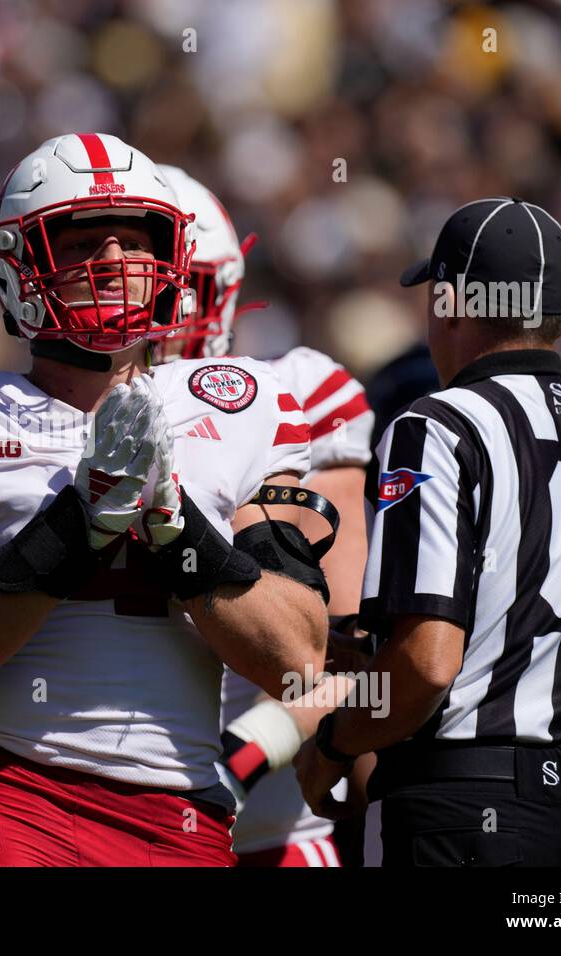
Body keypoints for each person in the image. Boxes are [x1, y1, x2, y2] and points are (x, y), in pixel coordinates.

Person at [0, 132, 330, 867]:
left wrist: (179, 538)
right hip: (20, 790)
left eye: (136, 238)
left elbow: (298, 660)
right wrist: (77, 526)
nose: (115, 260)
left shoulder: (245, 405)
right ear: (20, 261)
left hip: (187, 812)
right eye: (84, 240)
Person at [296, 197, 561, 866]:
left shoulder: (433, 426)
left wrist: (333, 745)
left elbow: (428, 662)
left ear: (449, 304)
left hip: (465, 812)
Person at [154, 165, 375, 867]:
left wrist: (240, 759)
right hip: (100, 829)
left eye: (172, 284)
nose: (149, 303)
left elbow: (348, 662)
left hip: (264, 840)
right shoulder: (52, 412)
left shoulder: (296, 395)